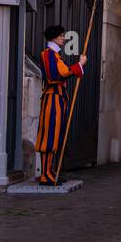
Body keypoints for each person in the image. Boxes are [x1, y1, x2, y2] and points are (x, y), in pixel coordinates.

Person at [35, 24, 87, 186]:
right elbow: (57, 75)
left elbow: (63, 71)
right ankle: (45, 174)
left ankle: (50, 171)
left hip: (59, 98)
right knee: (49, 136)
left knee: (55, 135)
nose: (64, 38)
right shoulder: (48, 55)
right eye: (61, 36)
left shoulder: (55, 55)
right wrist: (80, 65)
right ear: (54, 37)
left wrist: (78, 67)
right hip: (52, 98)